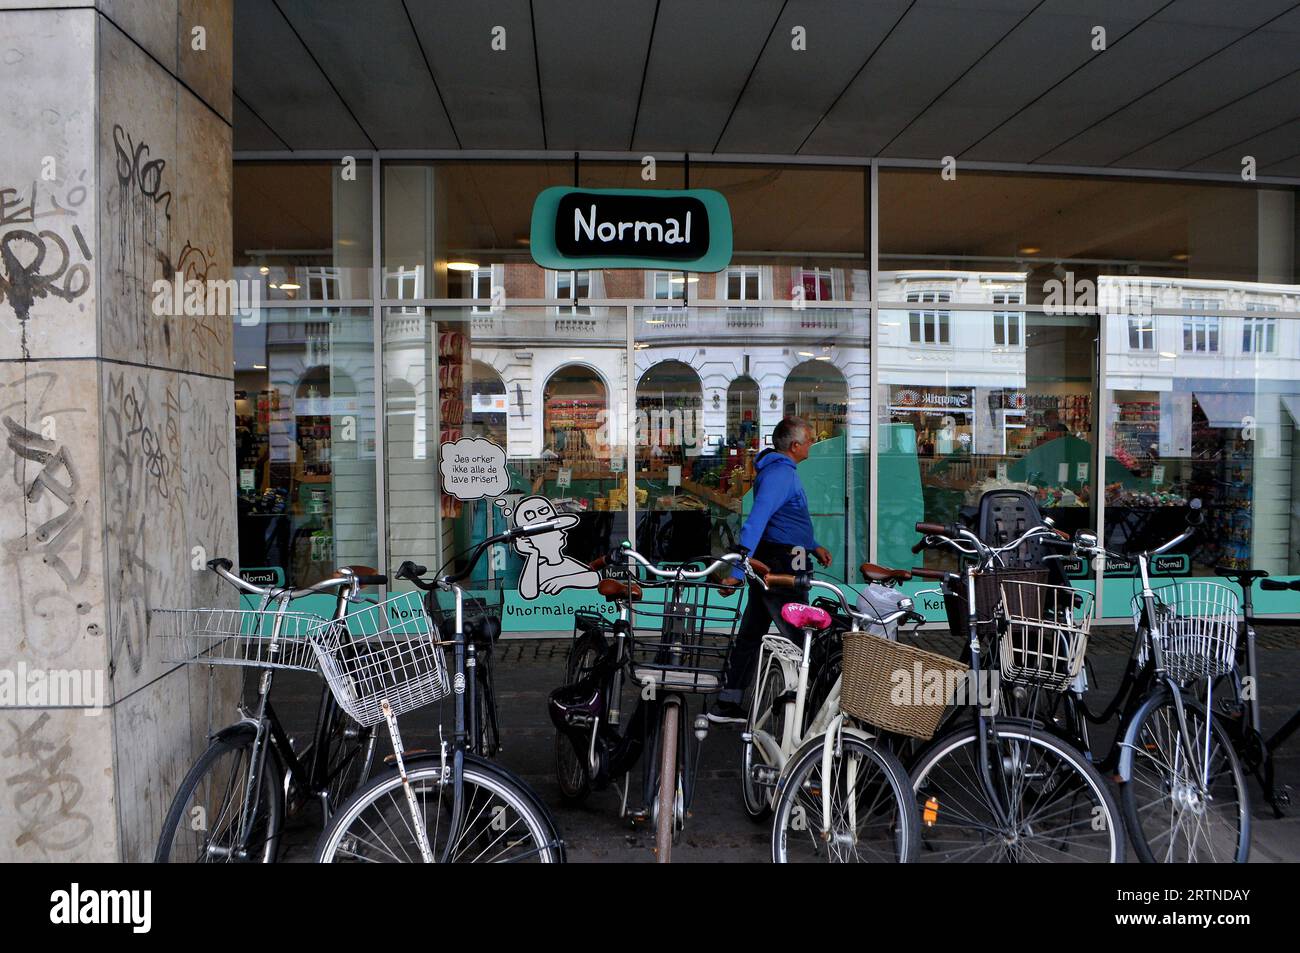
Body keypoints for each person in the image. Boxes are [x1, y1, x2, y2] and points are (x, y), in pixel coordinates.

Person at [707, 416, 831, 724]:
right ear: (795, 445)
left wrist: (812, 544)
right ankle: (814, 705)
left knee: (752, 633)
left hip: (781, 555)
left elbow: (783, 520)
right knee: (801, 635)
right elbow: (757, 521)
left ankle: (728, 700)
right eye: (810, 439)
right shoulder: (780, 475)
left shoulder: (779, 471)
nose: (813, 443)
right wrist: (737, 571)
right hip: (782, 563)